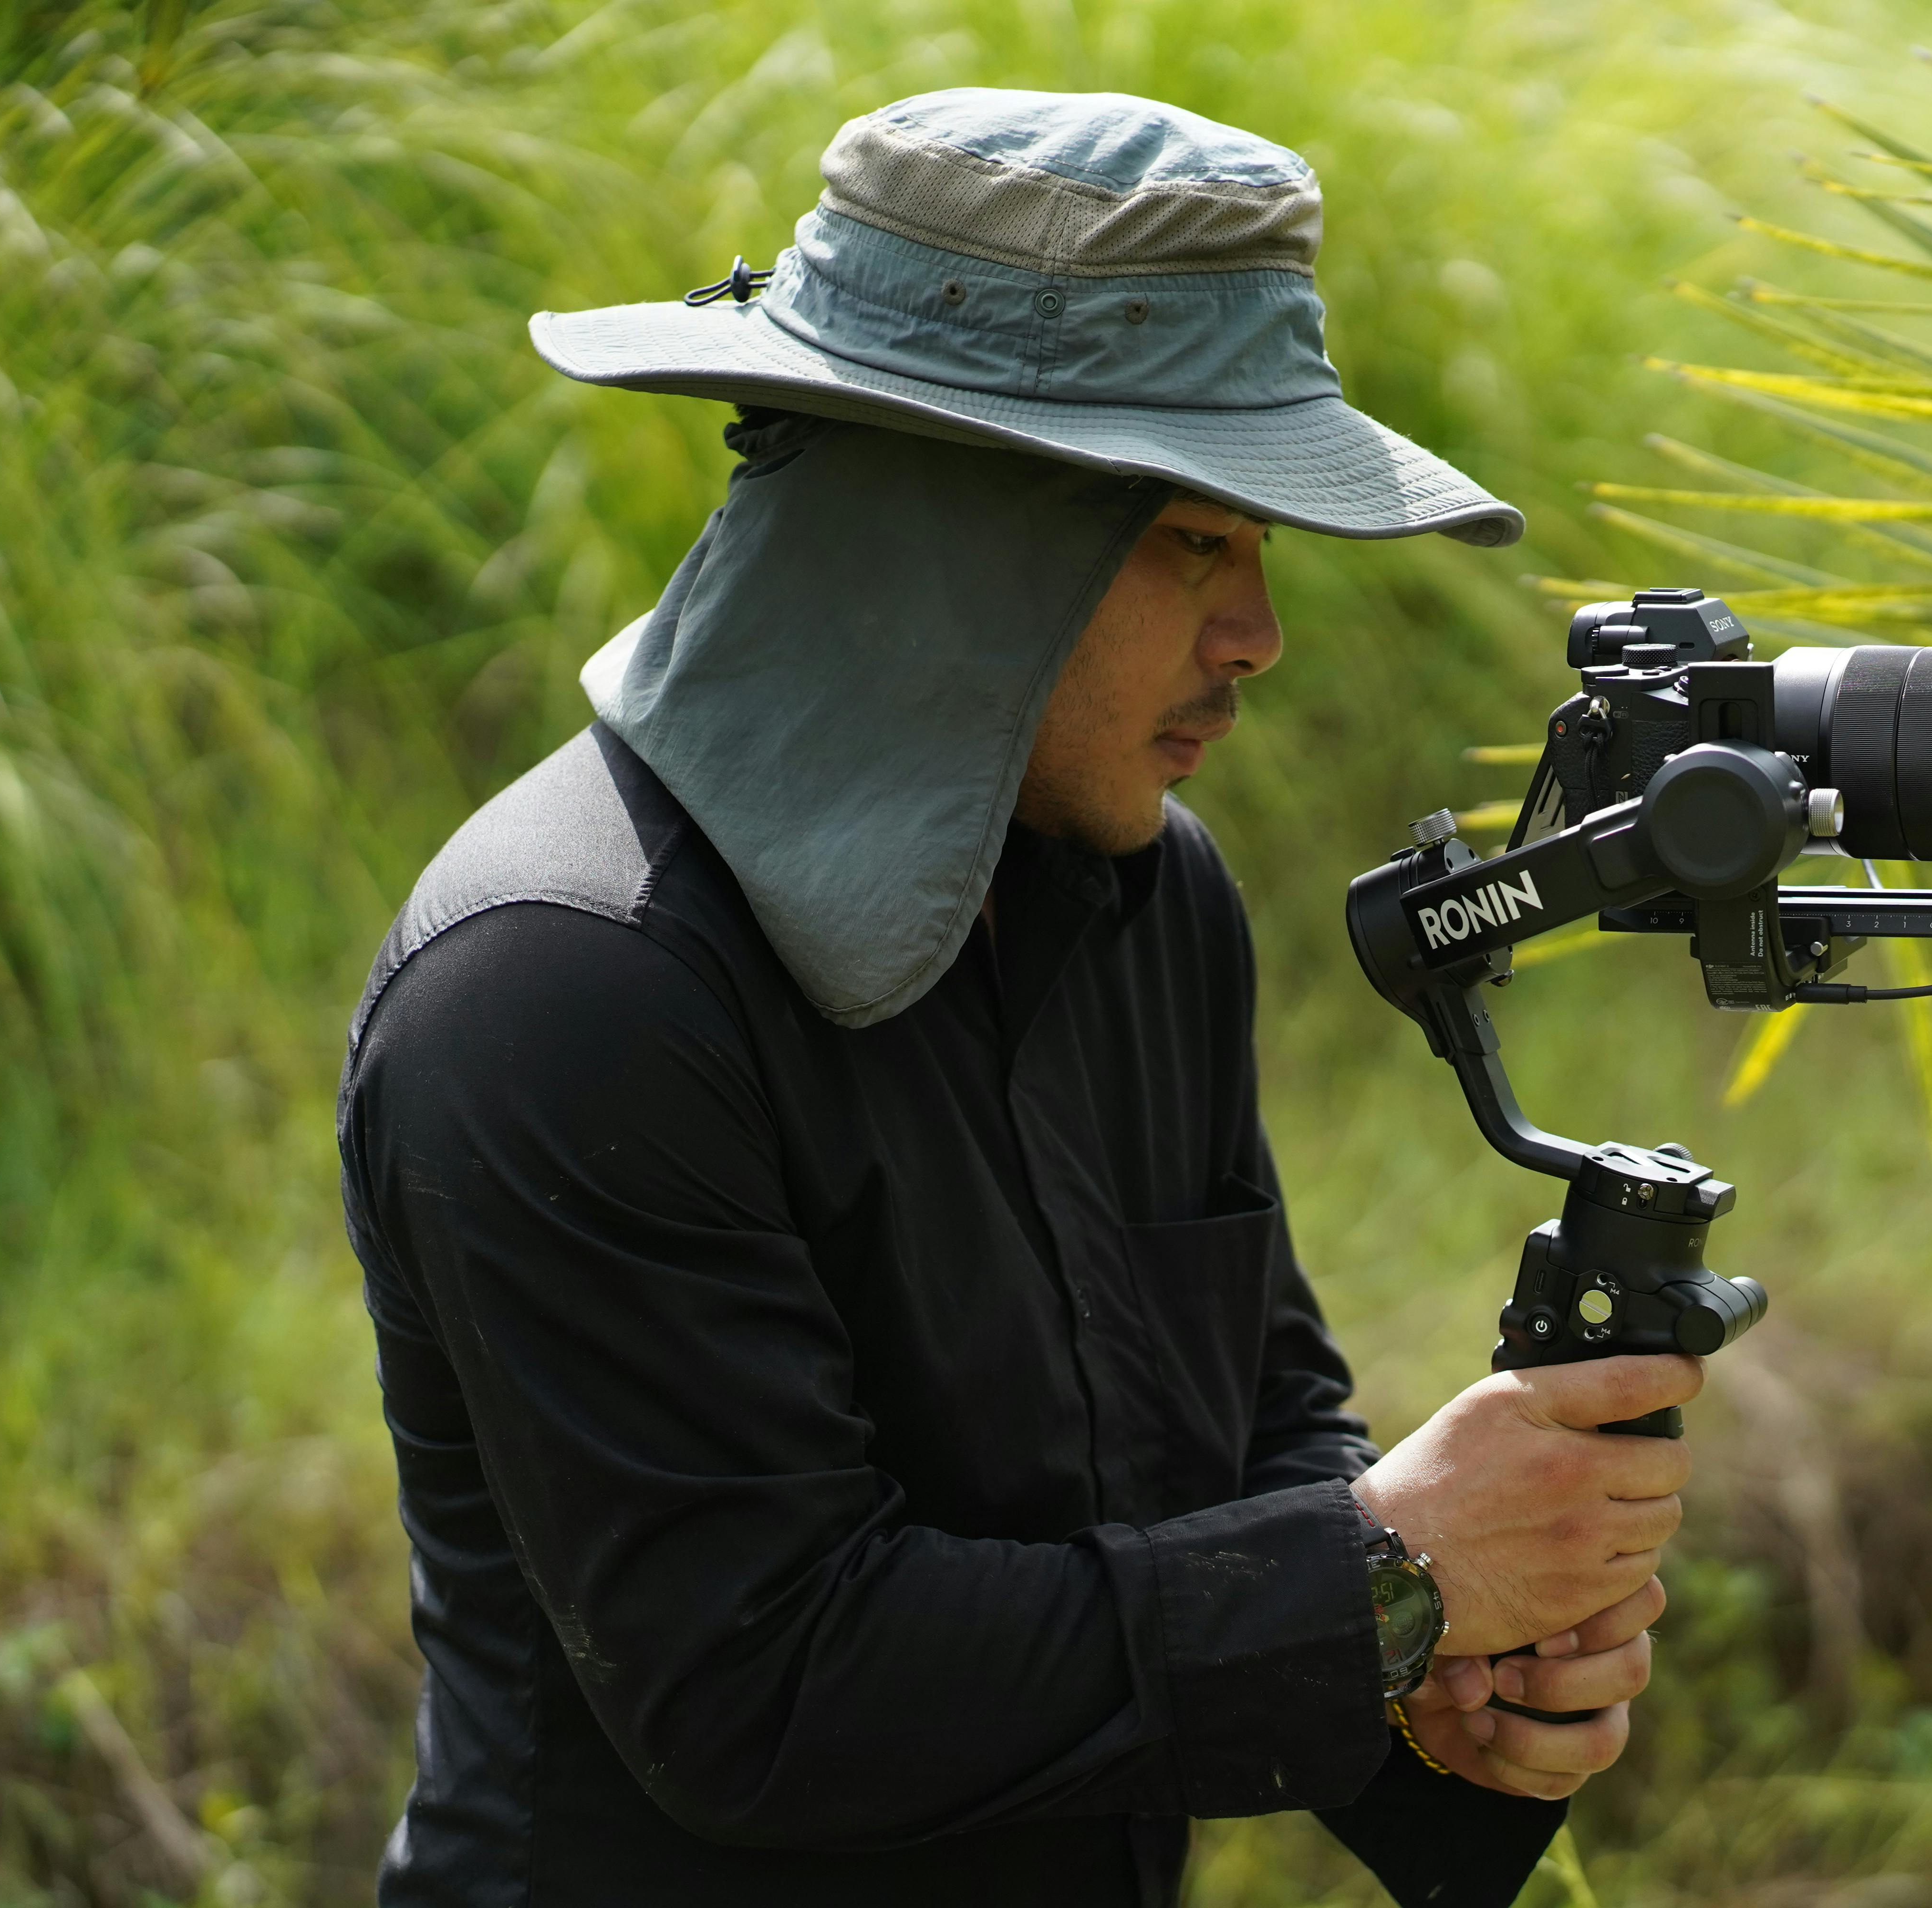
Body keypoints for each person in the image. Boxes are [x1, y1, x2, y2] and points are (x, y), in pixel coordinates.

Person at [335, 87, 1701, 1907]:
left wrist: (1422, 1673)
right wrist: (1383, 1574)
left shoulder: (1148, 890)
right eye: (1194, 541)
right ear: (951, 538)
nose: (1260, 637)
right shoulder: (560, 991)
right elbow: (770, 1689)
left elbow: (1251, 1414)